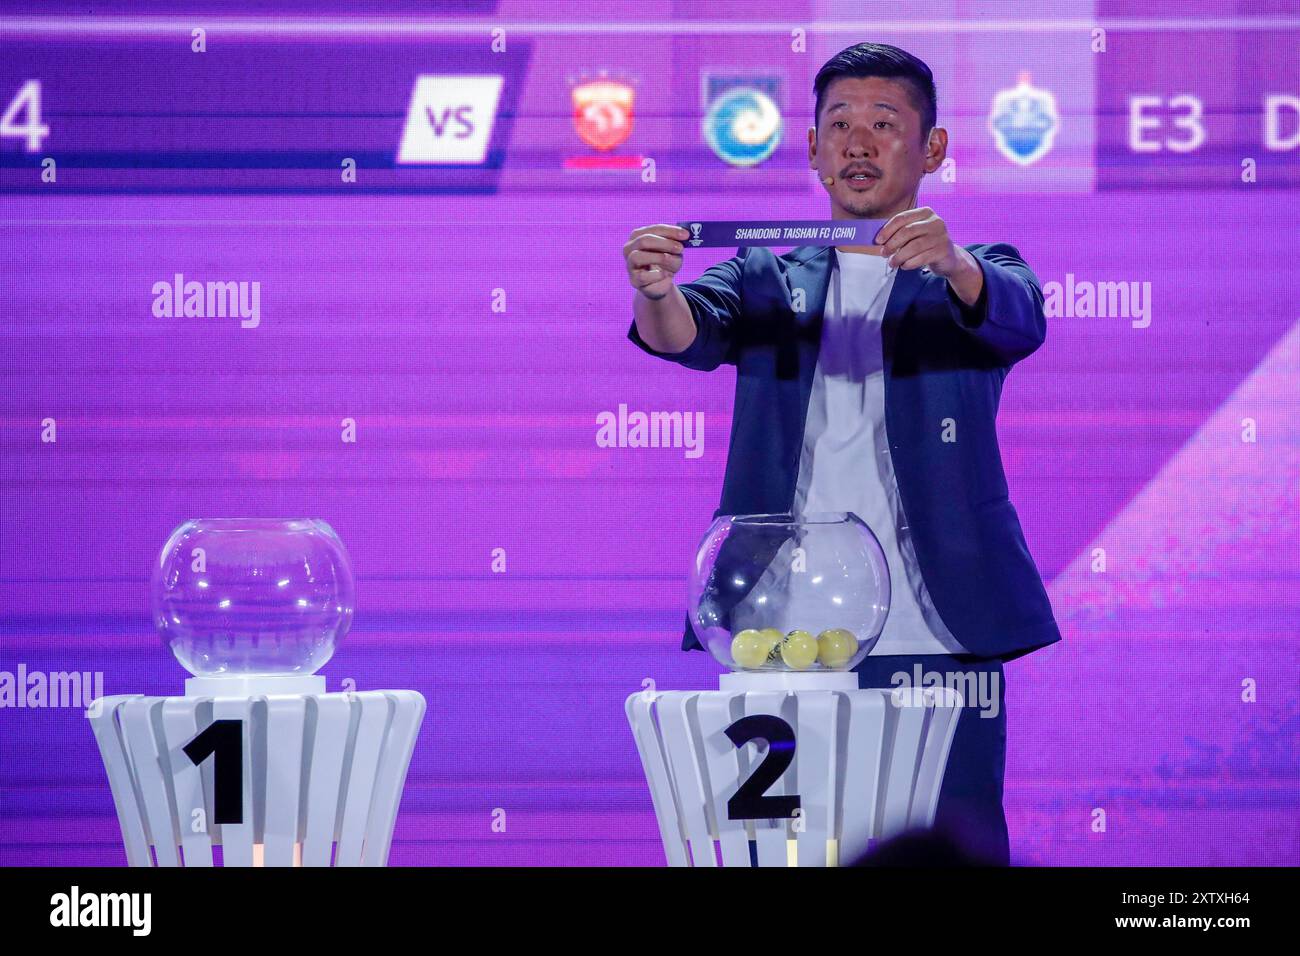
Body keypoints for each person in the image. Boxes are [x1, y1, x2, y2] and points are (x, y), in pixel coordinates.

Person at [622, 42, 1062, 865]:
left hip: (940, 634)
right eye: (840, 125)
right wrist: (654, 291)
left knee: (951, 850)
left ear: (933, 149)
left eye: (885, 124)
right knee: (790, 849)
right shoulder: (763, 275)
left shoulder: (980, 274)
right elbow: (682, 330)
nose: (859, 143)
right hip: (784, 633)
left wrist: (955, 262)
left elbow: (1019, 318)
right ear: (814, 148)